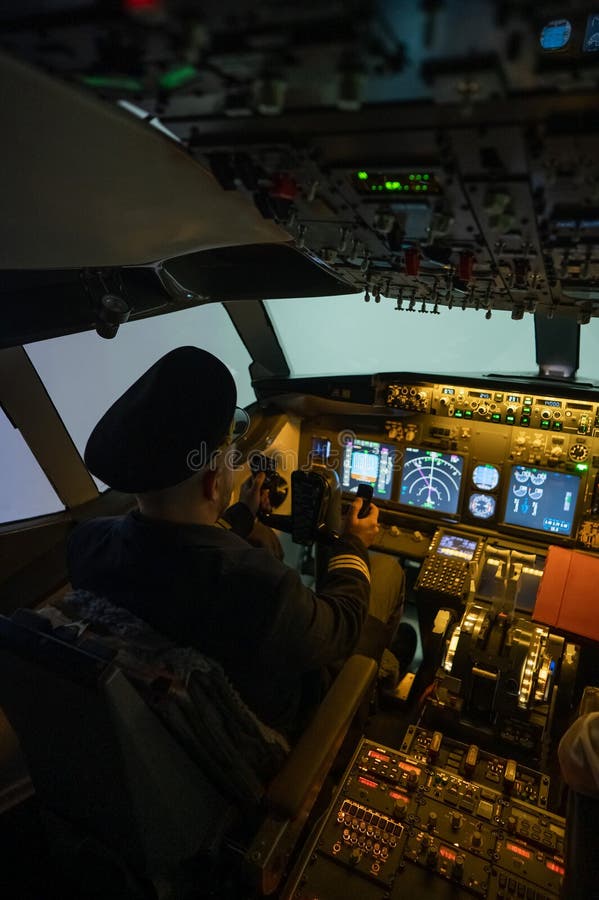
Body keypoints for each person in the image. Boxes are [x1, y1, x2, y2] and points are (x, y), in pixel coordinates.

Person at [68, 346, 405, 737]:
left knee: (261, 539)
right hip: (278, 717)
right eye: (229, 454)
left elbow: (175, 554)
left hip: (176, 720)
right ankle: (381, 685)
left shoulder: (87, 543)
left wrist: (242, 515)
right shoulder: (257, 586)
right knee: (385, 570)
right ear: (213, 481)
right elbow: (343, 627)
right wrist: (353, 544)